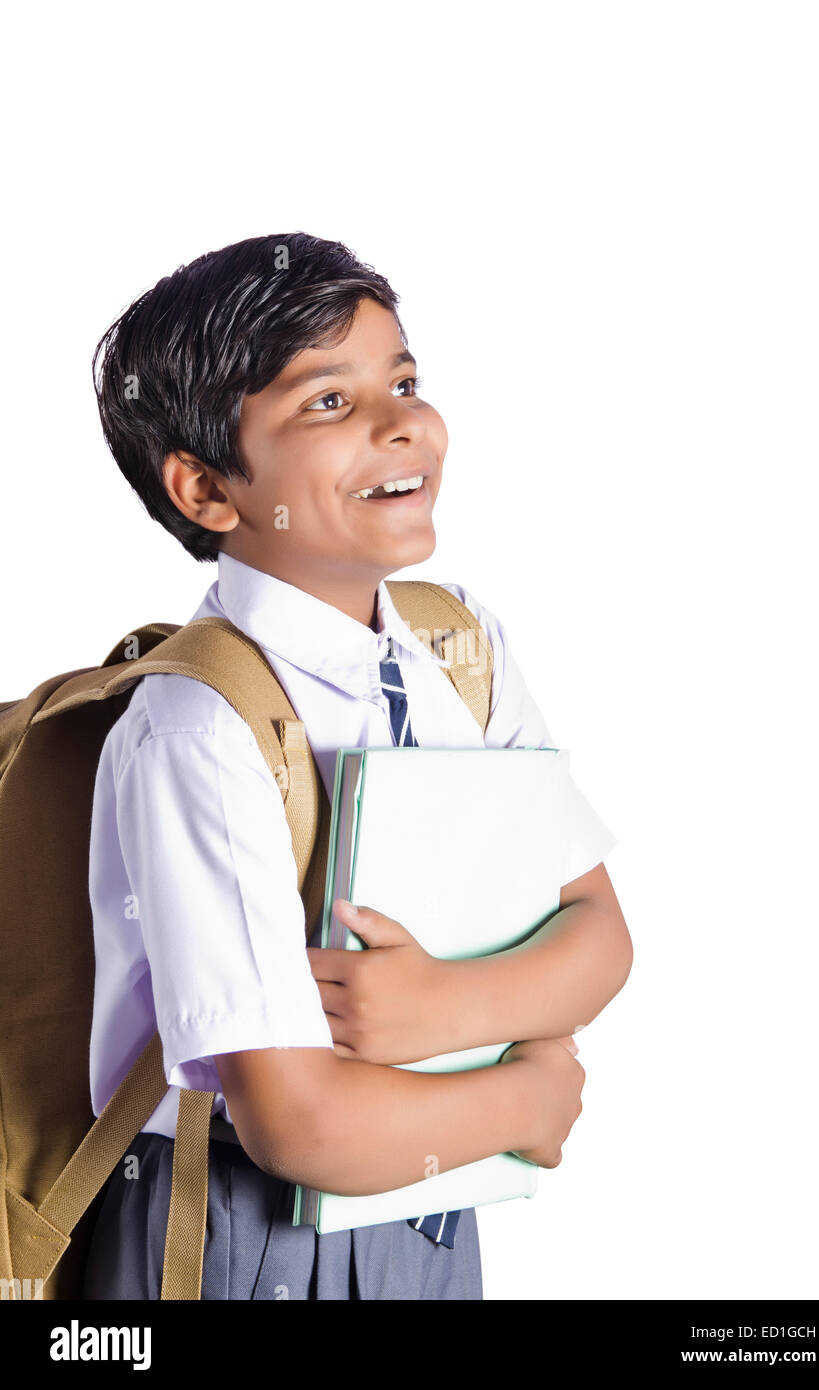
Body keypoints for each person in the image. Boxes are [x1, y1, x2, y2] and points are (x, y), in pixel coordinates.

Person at [81, 232, 633, 1300]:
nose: (401, 423)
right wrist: (523, 1098)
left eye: (404, 379)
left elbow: (600, 935)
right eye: (327, 401)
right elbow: (298, 1124)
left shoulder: (454, 646)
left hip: (429, 1206)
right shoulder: (197, 728)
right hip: (235, 1227)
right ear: (204, 488)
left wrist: (433, 1008)